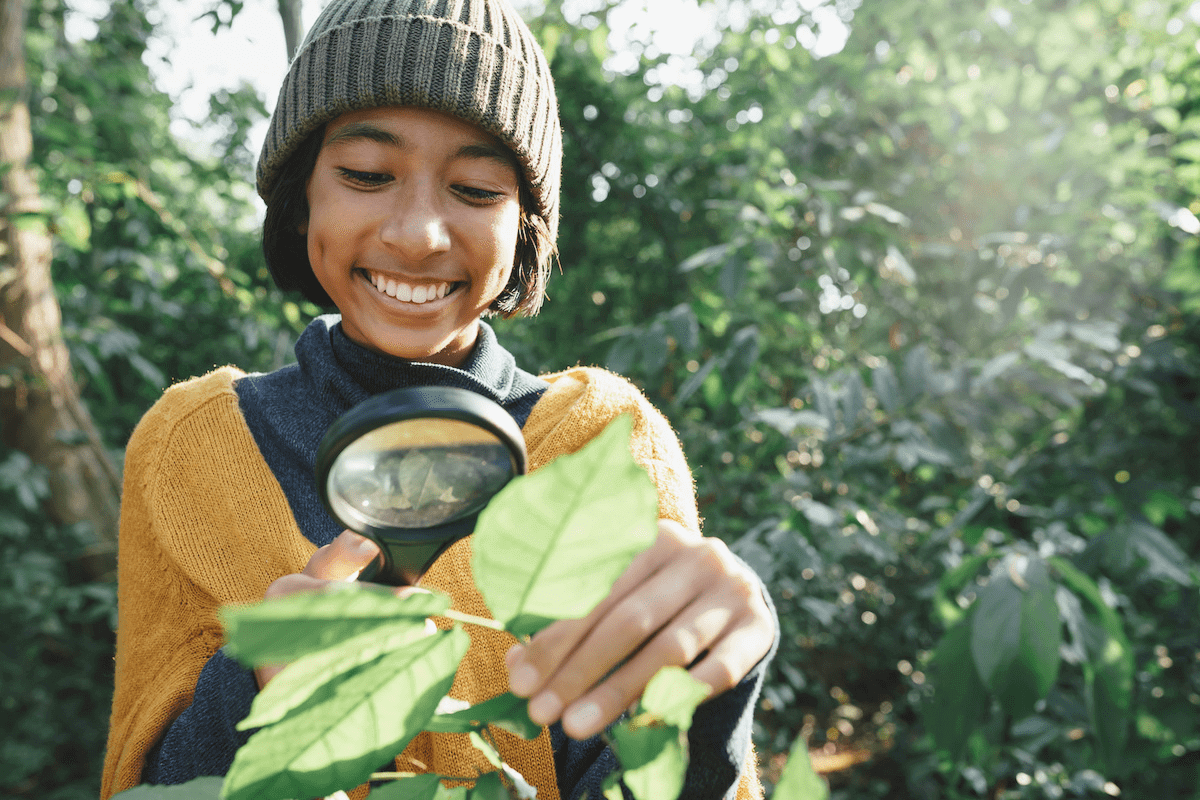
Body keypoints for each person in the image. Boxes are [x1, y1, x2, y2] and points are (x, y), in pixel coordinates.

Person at [100, 1, 778, 798]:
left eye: (476, 187)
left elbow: (641, 774)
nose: (419, 233)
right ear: (301, 191)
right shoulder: (191, 446)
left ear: (525, 223)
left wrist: (706, 696)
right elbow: (139, 781)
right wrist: (250, 693)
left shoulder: (604, 440)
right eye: (364, 174)